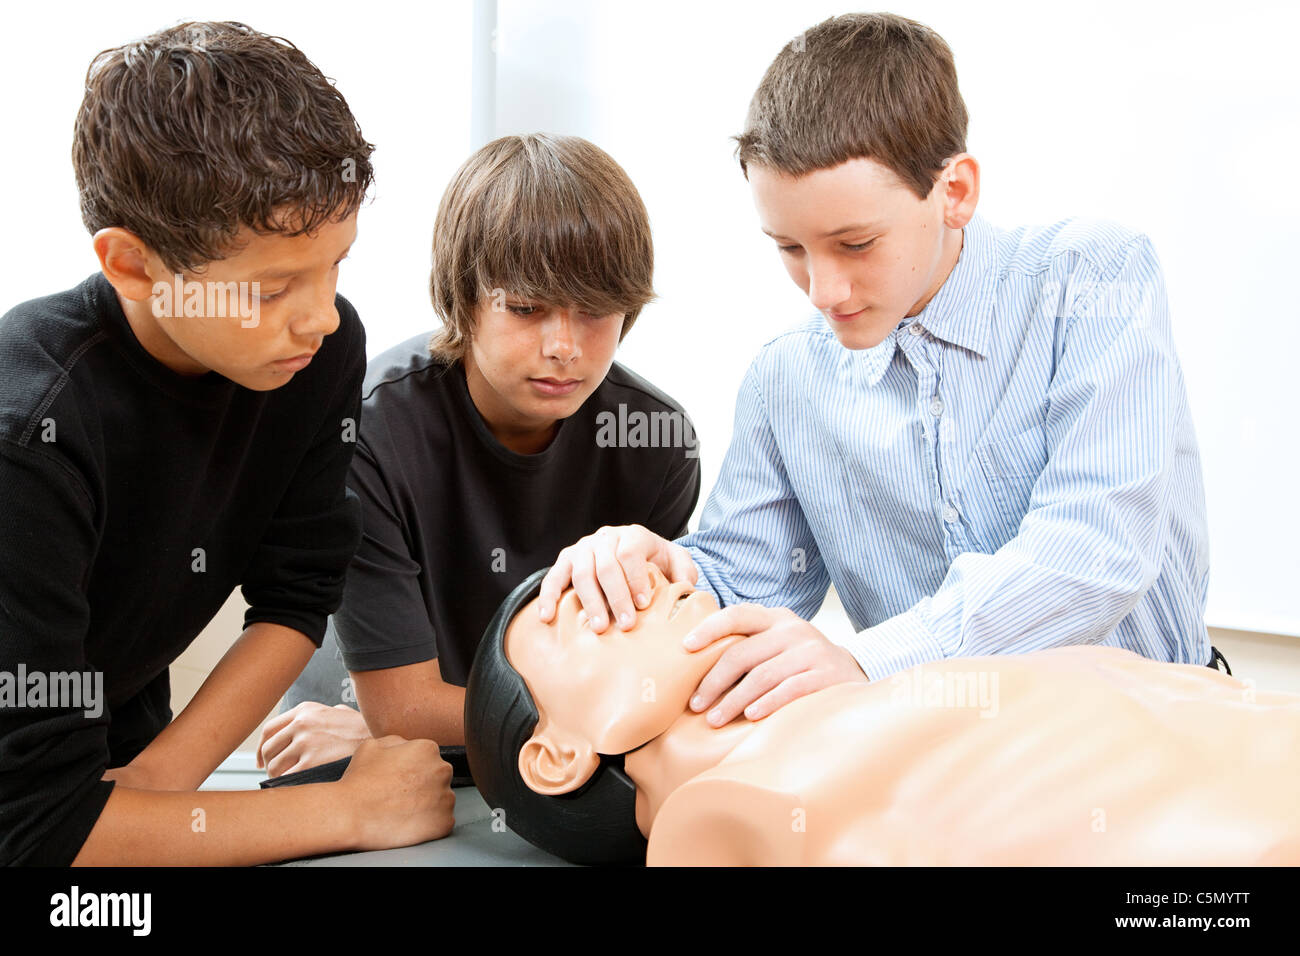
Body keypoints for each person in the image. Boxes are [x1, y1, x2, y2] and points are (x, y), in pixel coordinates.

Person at [536, 12, 1214, 732]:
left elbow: (1094, 549)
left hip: (1153, 744)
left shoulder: (1092, 280)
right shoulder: (786, 378)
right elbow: (748, 579)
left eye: (854, 243)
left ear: (955, 191)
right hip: (934, 758)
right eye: (790, 248)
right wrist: (662, 568)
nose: (823, 291)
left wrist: (867, 660)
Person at [0, 21, 451, 866]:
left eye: (337, 266)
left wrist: (164, 778)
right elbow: (30, 831)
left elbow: (296, 592)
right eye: (273, 286)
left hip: (109, 753)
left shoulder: (314, 351)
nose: (320, 315)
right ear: (132, 265)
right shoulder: (29, 433)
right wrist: (355, 813)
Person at [257, 134, 700, 777]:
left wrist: (415, 730)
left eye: (597, 311)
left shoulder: (656, 443)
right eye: (526, 308)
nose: (564, 347)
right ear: (463, 298)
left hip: (540, 766)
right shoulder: (367, 431)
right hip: (344, 742)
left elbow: (641, 679)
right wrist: (399, 729)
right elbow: (403, 709)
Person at [467, 564, 1299, 866]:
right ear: (555, 755)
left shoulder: (850, 700)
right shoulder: (727, 823)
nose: (640, 585)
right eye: (585, 610)